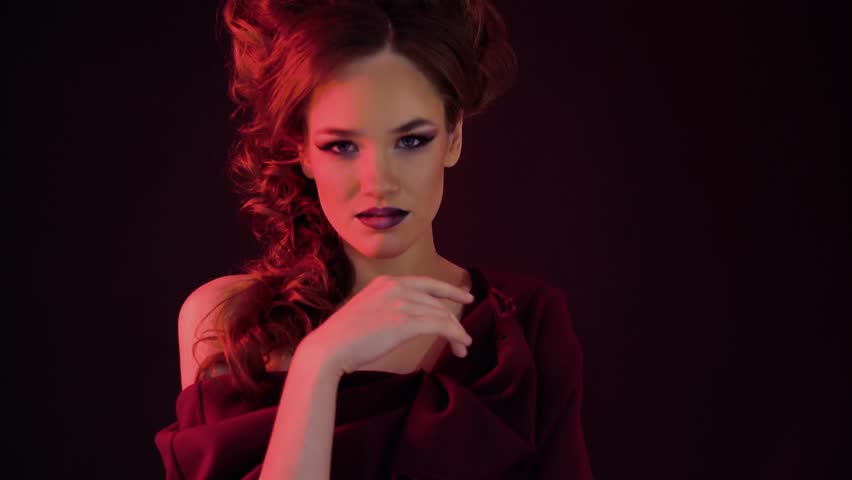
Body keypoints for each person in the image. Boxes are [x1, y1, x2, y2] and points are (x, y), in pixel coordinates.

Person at [155, 0, 594, 478]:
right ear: (301, 150)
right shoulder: (225, 323)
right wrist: (318, 366)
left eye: (411, 141)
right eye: (341, 146)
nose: (378, 181)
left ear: (453, 137)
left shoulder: (524, 327)